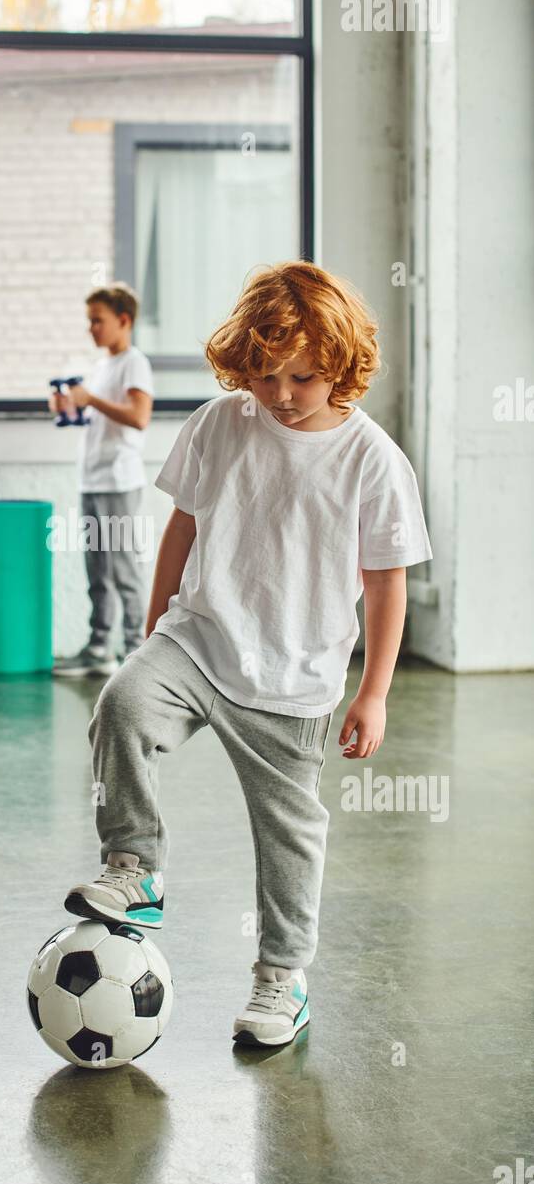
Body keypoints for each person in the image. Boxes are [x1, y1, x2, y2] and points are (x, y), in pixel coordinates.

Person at [63, 260, 433, 1047]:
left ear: (342, 364)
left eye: (301, 377)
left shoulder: (372, 461)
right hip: (196, 639)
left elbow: (385, 583)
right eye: (264, 376)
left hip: (294, 678)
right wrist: (154, 620)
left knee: (288, 835)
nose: (280, 395)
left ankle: (280, 978)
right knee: (121, 704)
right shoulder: (220, 422)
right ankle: (134, 866)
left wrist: (372, 693)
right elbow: (182, 526)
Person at [51, 282, 154, 678]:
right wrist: (70, 408)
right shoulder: (101, 367)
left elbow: (138, 416)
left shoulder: (134, 362)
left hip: (119, 481)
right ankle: (99, 648)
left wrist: (90, 399)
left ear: (123, 320)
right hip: (93, 480)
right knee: (97, 570)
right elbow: (98, 418)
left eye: (98, 321)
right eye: (89, 321)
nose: (91, 328)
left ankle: (136, 651)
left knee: (123, 570)